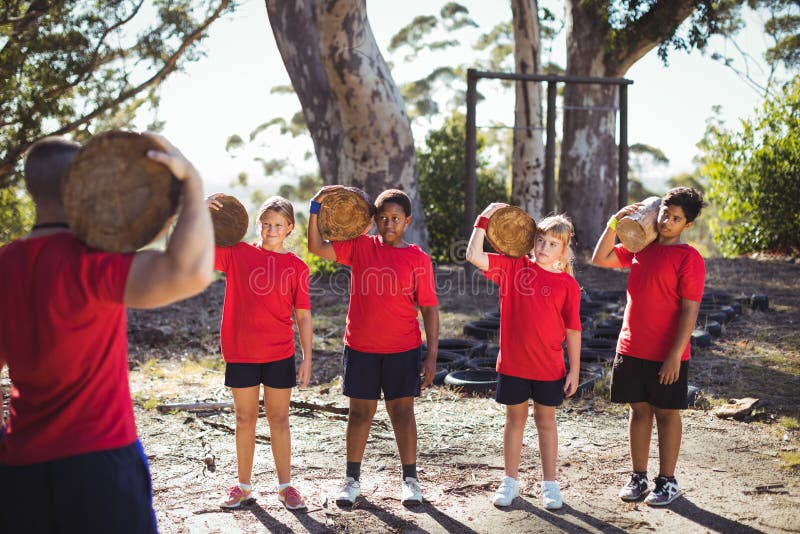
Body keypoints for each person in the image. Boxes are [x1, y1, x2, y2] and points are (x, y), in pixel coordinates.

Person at [0, 134, 215, 533]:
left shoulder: (5, 264)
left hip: (20, 466)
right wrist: (193, 184)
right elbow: (192, 272)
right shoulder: (91, 263)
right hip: (99, 461)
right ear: (82, 181)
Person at [307, 186, 439, 506]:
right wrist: (316, 205)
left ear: (407, 221)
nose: (389, 223)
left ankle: (410, 480)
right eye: (383, 218)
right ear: (374, 220)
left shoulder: (417, 258)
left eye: (395, 218)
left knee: (402, 414)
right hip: (361, 348)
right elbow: (315, 246)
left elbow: (430, 309)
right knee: (359, 414)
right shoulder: (359, 247)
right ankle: (351, 480)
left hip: (403, 349)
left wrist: (432, 355)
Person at [591, 186, 705, 506]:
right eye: (665, 214)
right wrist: (615, 223)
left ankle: (667, 481)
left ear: (688, 225)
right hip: (631, 347)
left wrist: (674, 357)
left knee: (667, 414)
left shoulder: (689, 258)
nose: (667, 221)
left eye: (676, 218)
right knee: (639, 411)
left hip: (668, 354)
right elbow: (600, 258)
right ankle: (638, 476)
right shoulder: (641, 246)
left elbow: (689, 310)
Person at [466, 204, 581, 510]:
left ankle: (550, 485)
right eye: (540, 240)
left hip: (550, 367)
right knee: (514, 421)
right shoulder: (514, 267)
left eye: (553, 244)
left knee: (546, 422)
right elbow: (474, 255)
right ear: (532, 240)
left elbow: (573, 329)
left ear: (563, 250)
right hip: (514, 364)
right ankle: (510, 481)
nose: (544, 248)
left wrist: (575, 370)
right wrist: (484, 218)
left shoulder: (568, 285)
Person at [206, 194, 312, 511]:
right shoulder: (236, 254)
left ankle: (285, 487)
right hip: (241, 353)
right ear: (257, 224)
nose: (270, 230)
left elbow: (303, 315)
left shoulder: (296, 267)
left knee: (279, 419)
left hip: (279, 353)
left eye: (278, 225)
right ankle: (243, 487)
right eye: (266, 223)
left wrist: (307, 356)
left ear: (290, 228)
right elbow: (199, 250)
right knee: (244, 418)